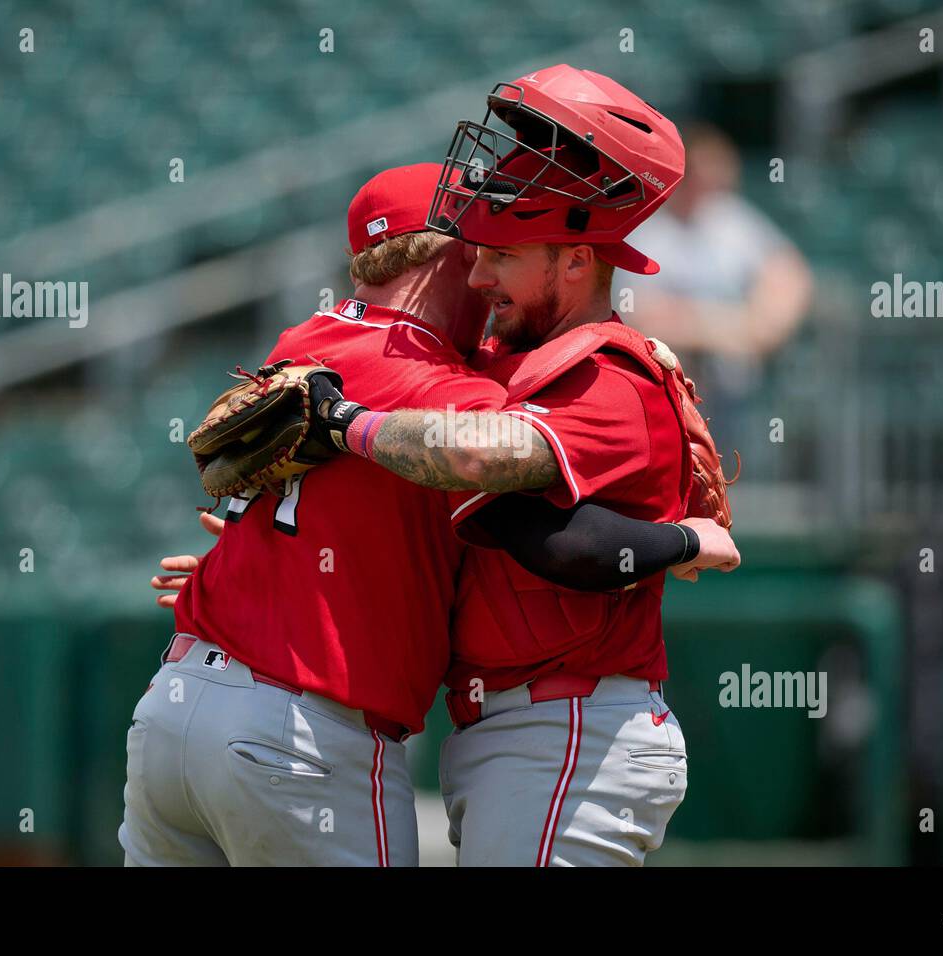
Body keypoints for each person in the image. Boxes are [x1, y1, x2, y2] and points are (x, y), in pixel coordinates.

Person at [124, 162, 739, 867]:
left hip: (171, 713)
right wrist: (683, 541)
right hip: (299, 738)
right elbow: (548, 529)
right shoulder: (450, 391)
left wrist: (248, 566)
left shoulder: (294, 349)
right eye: (484, 247)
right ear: (451, 251)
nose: (485, 275)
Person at [303, 65, 741, 865]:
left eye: (500, 254)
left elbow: (565, 549)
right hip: (512, 735)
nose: (475, 276)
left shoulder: (607, 377)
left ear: (575, 261)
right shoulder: (504, 363)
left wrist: (345, 424)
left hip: (571, 733)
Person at [626, 124, 812, 433]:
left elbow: (789, 279)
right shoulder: (649, 230)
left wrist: (761, 327)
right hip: (669, 390)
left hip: (738, 393)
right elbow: (644, 317)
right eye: (700, 169)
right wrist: (731, 328)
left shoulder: (732, 222)